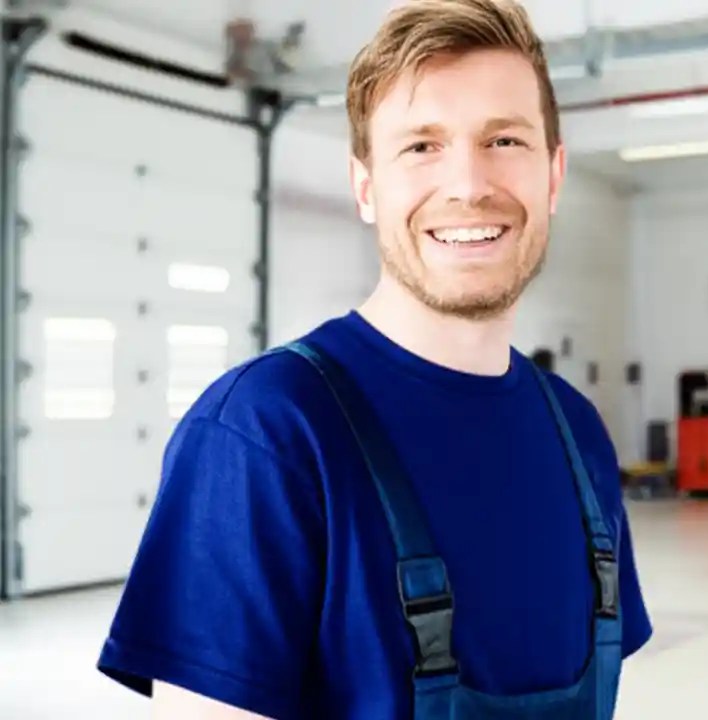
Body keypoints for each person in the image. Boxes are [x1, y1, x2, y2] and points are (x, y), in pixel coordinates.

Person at [96, 0, 652, 717]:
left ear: (554, 173)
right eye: (422, 146)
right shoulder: (266, 433)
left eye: (505, 141)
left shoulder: (578, 435)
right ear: (366, 186)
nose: (468, 184)